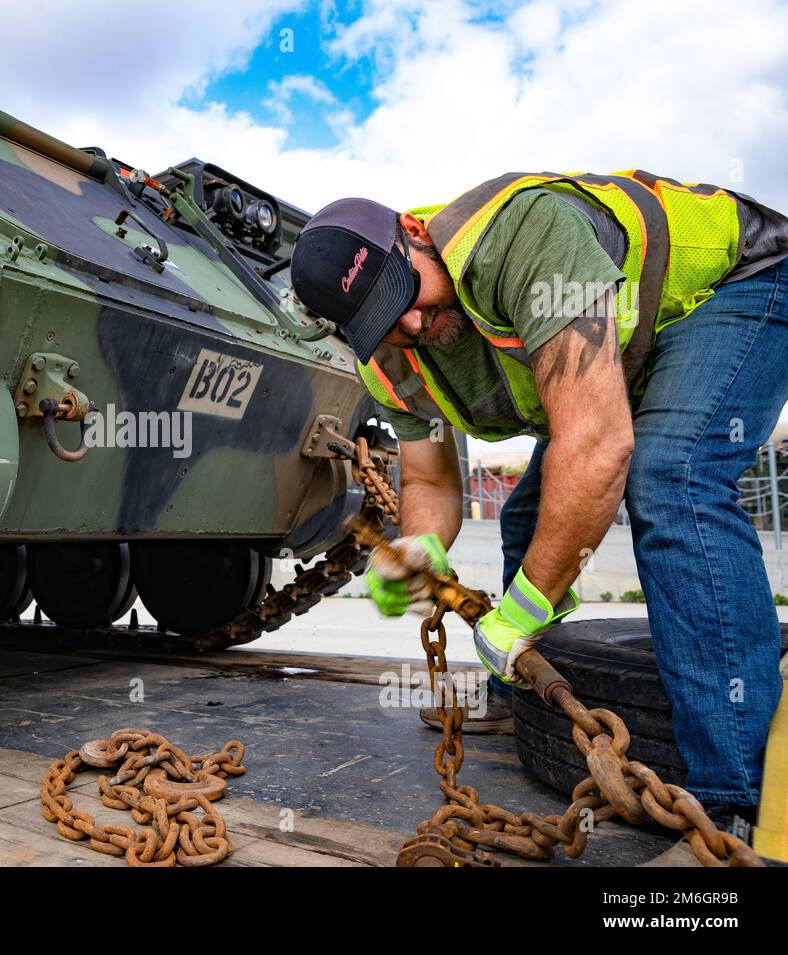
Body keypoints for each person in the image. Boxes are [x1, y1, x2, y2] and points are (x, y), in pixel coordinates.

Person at [290, 171, 788, 824]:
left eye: (403, 291)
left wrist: (523, 609)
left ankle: (738, 800)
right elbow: (433, 481)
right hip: (631, 348)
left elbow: (599, 447)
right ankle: (518, 688)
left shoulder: (521, 238)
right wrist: (421, 543)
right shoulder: (389, 359)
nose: (410, 321)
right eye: (384, 320)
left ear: (414, 233)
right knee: (533, 513)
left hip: (735, 283)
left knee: (674, 478)